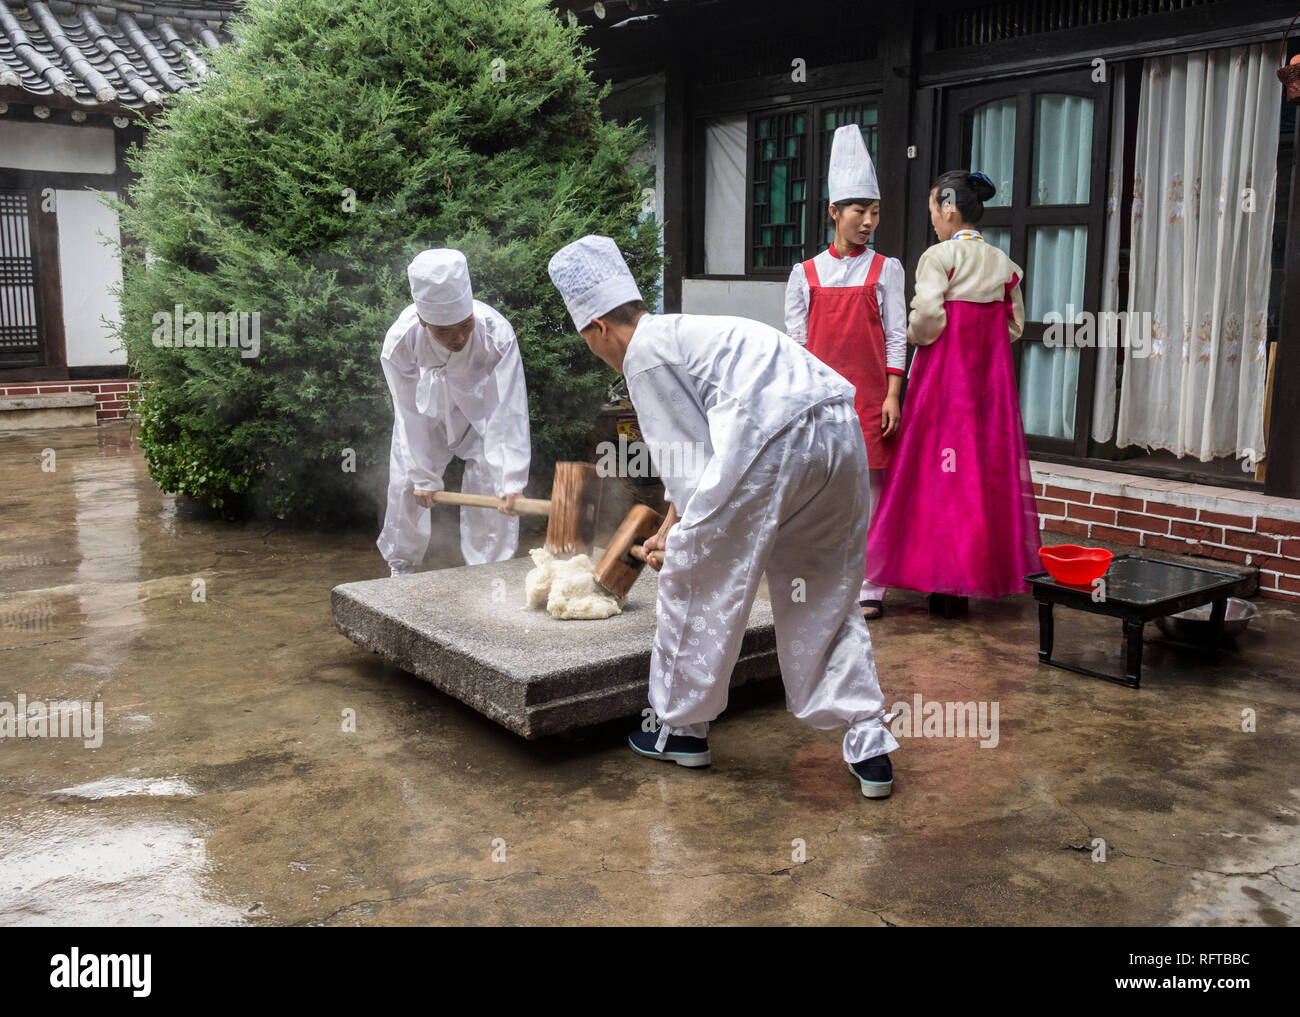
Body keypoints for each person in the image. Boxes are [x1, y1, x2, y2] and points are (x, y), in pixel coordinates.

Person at [547, 235, 900, 799]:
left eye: (590, 341)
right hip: (836, 429)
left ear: (597, 328)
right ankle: (869, 742)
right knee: (827, 588)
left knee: (696, 576)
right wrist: (671, 525)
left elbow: (691, 467)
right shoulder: (688, 331)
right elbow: (697, 470)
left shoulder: (642, 354)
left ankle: (680, 729)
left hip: (770, 438)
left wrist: (678, 541)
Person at [863, 171, 1039, 615]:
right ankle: (967, 581)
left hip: (943, 381)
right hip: (987, 385)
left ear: (948, 207)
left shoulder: (939, 256)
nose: (933, 222)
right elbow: (1014, 326)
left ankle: (938, 575)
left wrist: (925, 337)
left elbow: (925, 317)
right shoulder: (1006, 265)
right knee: (978, 473)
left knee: (937, 471)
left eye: (933, 212)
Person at [784, 125, 905, 620]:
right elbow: (794, 347)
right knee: (822, 490)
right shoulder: (804, 275)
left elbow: (897, 336)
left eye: (875, 212)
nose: (868, 222)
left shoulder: (888, 269)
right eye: (859, 211)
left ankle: (872, 584)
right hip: (821, 402)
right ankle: (828, 576)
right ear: (834, 212)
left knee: (871, 495)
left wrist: (893, 395)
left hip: (873, 398)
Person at [376, 249, 531, 576]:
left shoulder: (496, 333)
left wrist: (511, 481)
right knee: (406, 479)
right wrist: (423, 476)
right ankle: (401, 567)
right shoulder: (400, 342)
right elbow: (407, 413)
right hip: (425, 412)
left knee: (493, 479)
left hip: (480, 415)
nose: (458, 338)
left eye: (465, 325)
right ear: (422, 320)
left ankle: (491, 572)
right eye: (444, 331)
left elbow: (510, 409)